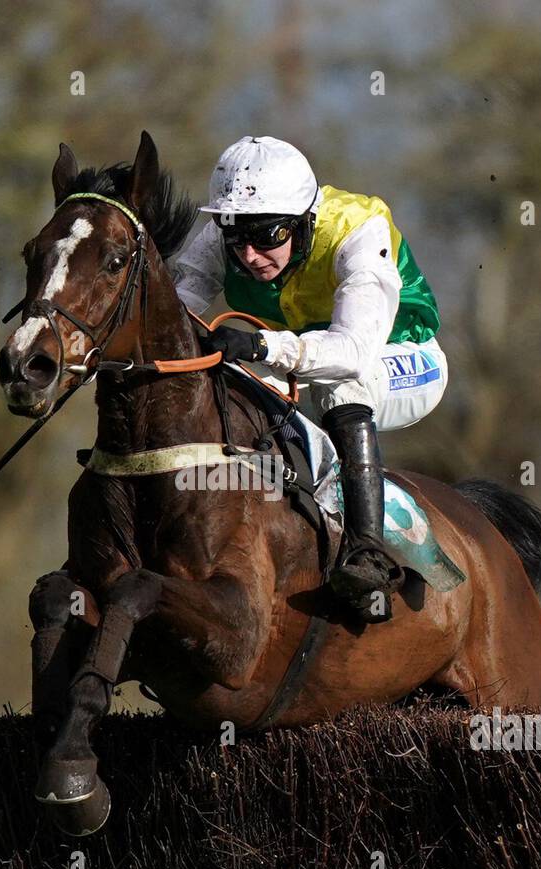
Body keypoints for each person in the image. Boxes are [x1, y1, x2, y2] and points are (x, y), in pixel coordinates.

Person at [170, 135, 445, 623]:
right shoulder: (224, 233)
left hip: (403, 360)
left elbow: (354, 354)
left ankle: (367, 555)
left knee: (340, 385)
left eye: (269, 236)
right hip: (303, 364)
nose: (251, 255)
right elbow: (171, 319)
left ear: (304, 221)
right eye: (239, 240)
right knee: (223, 386)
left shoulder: (358, 228)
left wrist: (261, 347)